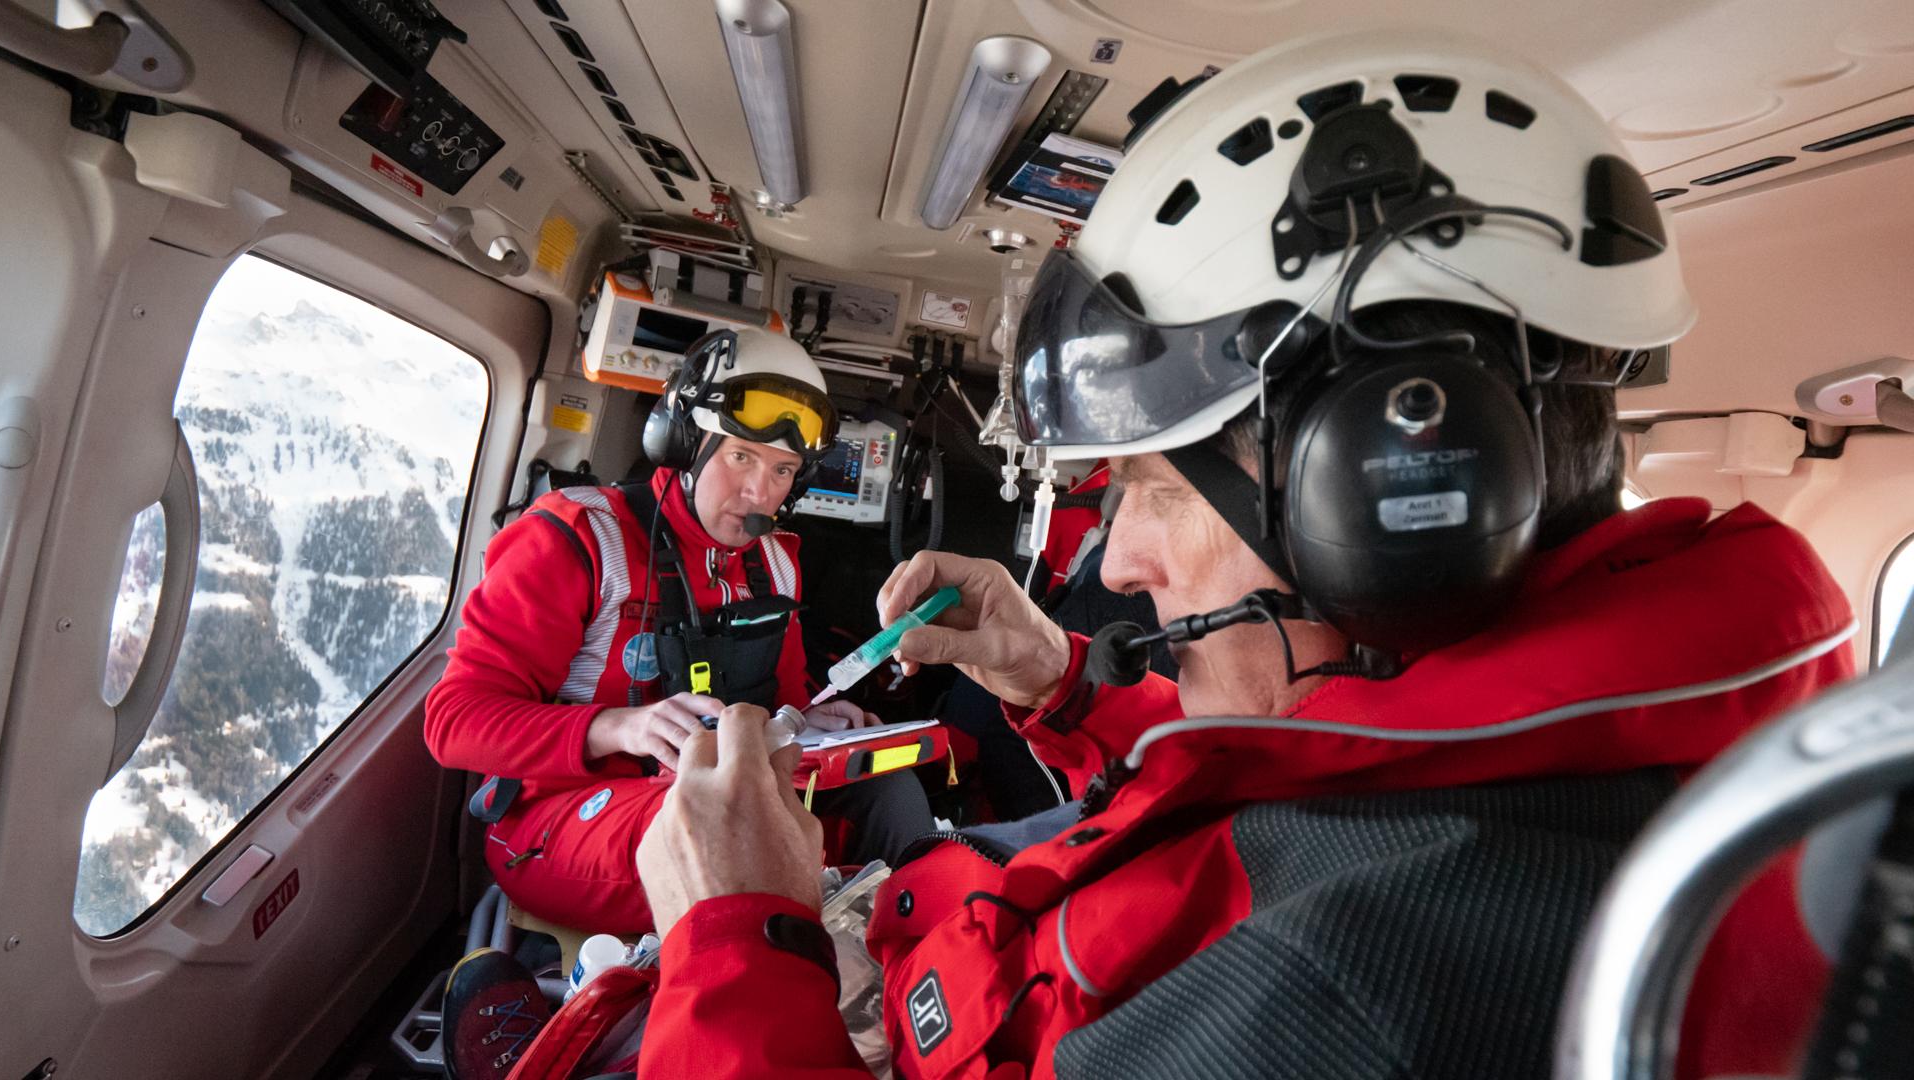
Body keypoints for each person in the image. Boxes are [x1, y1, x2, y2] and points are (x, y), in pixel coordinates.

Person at [628, 32, 1859, 1080]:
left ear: (1387, 492)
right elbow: (1286, 796)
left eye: (1157, 490)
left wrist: (738, 951)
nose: (1117, 564)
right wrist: (1061, 677)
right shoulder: (1536, 769)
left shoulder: (1356, 989)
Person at [424, 327, 934, 938]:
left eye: (782, 470)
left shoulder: (775, 563)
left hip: (733, 796)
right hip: (561, 815)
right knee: (721, 830)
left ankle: (908, 976)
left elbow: (782, 702)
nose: (758, 491)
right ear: (685, 444)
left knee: (893, 791)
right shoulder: (580, 539)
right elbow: (452, 721)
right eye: (741, 456)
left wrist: (810, 721)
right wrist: (619, 727)